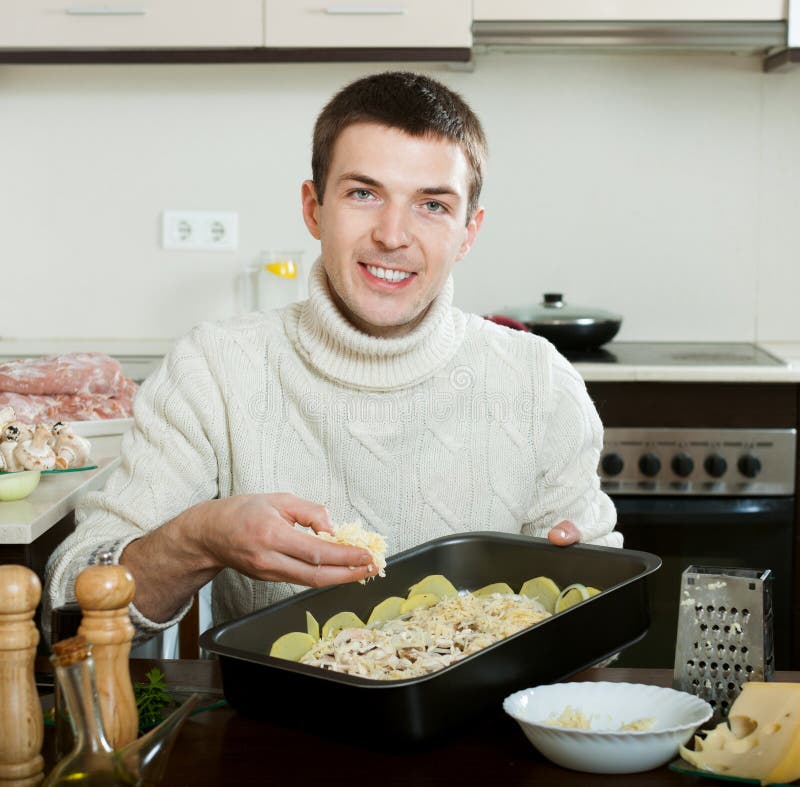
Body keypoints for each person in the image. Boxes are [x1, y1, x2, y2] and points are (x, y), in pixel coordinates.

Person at [45, 71, 621, 643]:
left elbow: (601, 632)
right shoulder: (213, 369)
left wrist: (583, 594)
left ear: (468, 232)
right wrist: (196, 540)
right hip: (269, 724)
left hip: (483, 725)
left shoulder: (537, 380)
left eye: (432, 205)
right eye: (363, 194)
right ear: (314, 208)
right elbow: (74, 600)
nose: (393, 235)